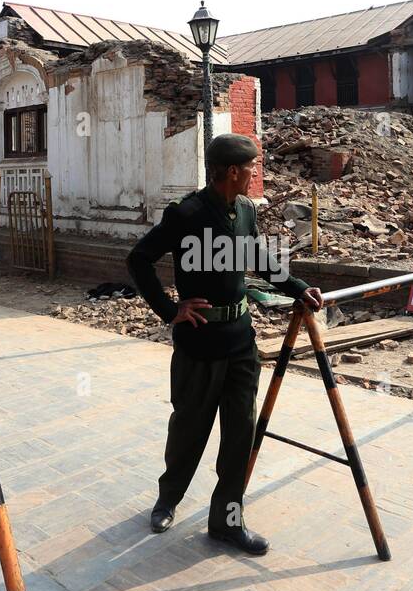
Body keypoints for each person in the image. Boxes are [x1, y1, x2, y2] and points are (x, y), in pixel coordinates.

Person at [127, 133, 323, 555]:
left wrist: (296, 286)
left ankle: (226, 522)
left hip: (240, 342)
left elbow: (258, 256)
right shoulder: (187, 214)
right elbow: (138, 259)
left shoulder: (246, 210)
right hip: (198, 343)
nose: (255, 174)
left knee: (239, 435)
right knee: (189, 428)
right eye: (251, 167)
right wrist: (169, 308)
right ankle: (168, 498)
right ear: (232, 172)